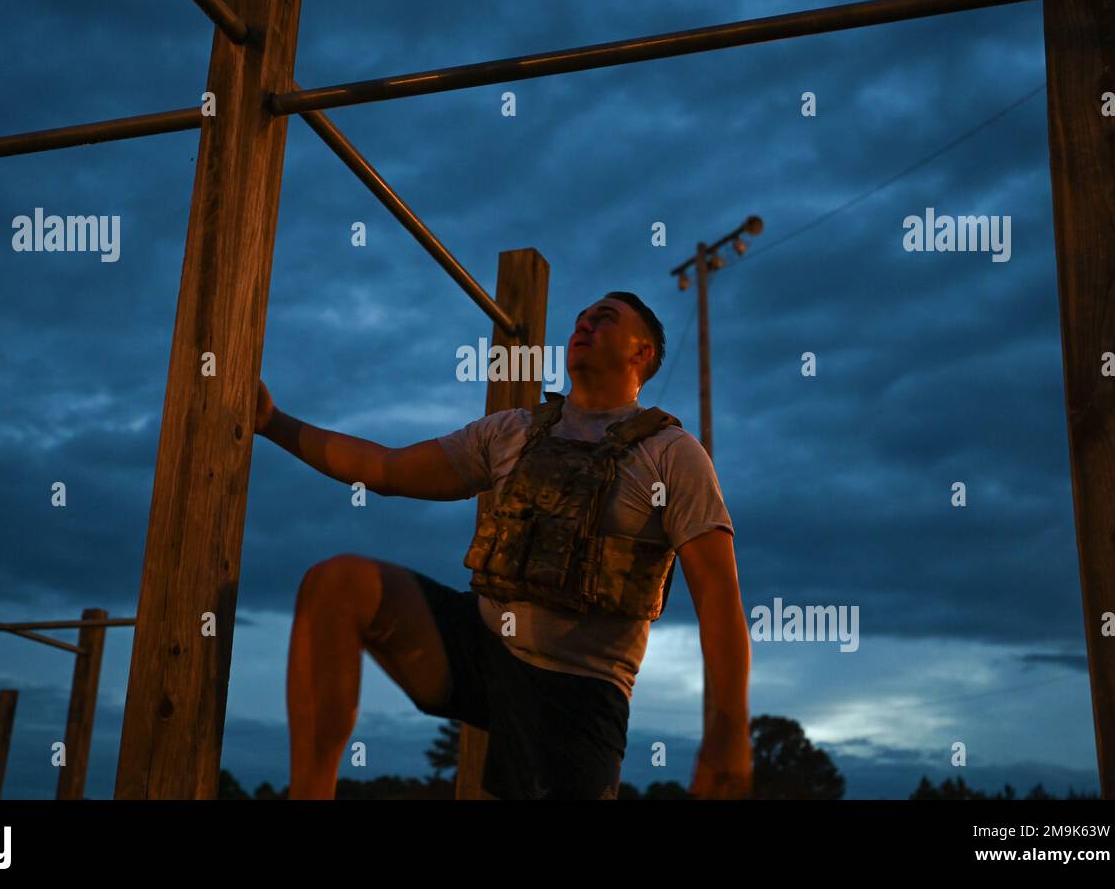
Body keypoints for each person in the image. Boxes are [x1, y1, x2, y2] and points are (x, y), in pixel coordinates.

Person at [256, 291, 751, 799]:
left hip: (580, 692)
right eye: (581, 318)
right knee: (338, 584)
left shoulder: (671, 455)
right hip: (484, 646)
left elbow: (717, 594)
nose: (584, 325)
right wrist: (273, 423)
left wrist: (731, 732)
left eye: (605, 319)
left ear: (641, 353)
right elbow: (384, 469)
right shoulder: (512, 430)